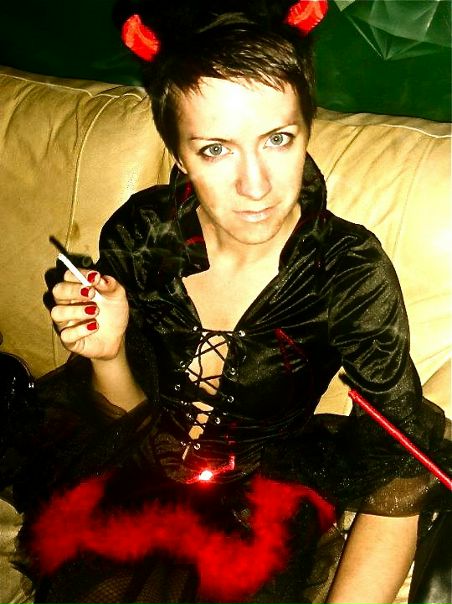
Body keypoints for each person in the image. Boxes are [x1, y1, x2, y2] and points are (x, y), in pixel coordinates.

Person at [5, 1, 449, 603]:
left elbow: (400, 465)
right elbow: (128, 423)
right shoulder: (144, 236)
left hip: (261, 500)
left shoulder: (347, 270)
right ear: (179, 154)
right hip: (133, 473)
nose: (256, 186)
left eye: (278, 139)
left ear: (306, 131)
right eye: (216, 149)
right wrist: (108, 354)